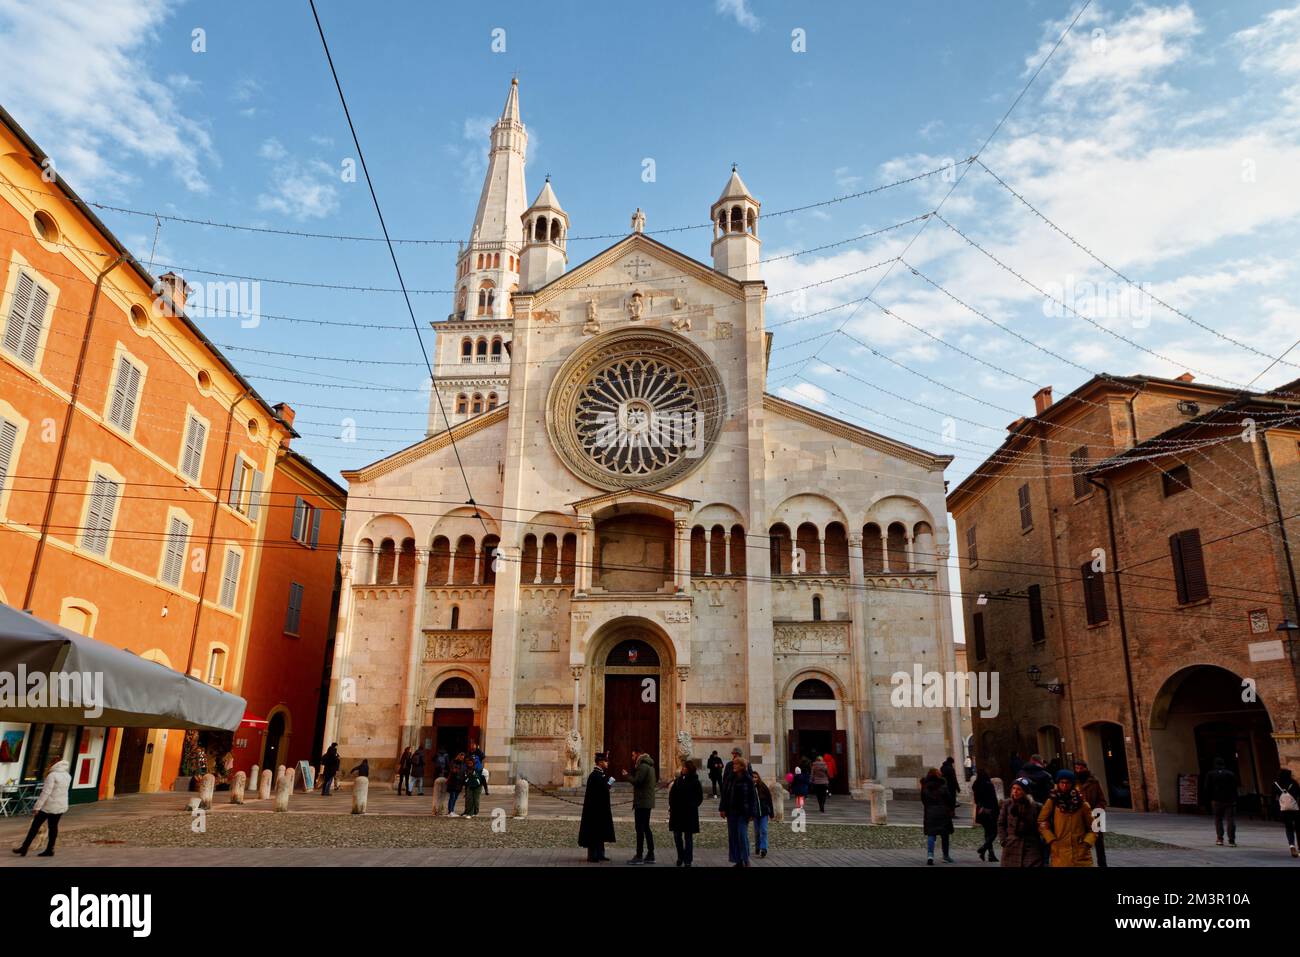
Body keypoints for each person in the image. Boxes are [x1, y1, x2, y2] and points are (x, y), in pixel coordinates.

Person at [11, 759, 70, 858]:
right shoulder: (67, 775)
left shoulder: (52, 775)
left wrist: (37, 806)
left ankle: (24, 848)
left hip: (48, 806)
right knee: (53, 827)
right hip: (61, 805)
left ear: (53, 764)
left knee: (34, 827)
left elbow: (46, 792)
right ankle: (50, 849)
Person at [1038, 769, 1096, 867]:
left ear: (1072, 784)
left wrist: (1087, 842)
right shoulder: (1053, 801)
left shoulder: (1082, 804)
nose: (1064, 786)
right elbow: (1042, 821)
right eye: (1062, 782)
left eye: (1067, 783)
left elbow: (1094, 827)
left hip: (1080, 854)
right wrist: (1051, 840)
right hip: (1060, 851)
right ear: (1058, 783)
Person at [997, 777, 1043, 867]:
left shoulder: (1036, 807)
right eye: (1013, 788)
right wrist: (1003, 840)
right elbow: (1001, 823)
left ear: (1025, 792)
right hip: (1011, 845)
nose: (1015, 791)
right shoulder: (1007, 804)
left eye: (1019, 789)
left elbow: (1041, 825)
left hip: (1031, 846)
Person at [721, 756, 757, 867]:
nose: (733, 766)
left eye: (736, 764)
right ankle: (738, 860)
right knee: (733, 836)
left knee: (742, 835)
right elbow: (725, 794)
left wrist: (752, 813)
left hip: (743, 812)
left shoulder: (748, 780)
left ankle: (746, 859)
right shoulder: (730, 779)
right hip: (731, 811)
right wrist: (722, 808)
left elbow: (753, 797)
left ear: (742, 766)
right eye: (733, 764)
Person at [579, 752, 615, 862]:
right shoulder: (595, 775)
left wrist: (607, 785)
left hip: (601, 808)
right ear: (600, 762)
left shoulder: (600, 774)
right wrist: (607, 785)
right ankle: (592, 855)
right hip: (594, 809)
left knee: (600, 831)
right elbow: (597, 792)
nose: (607, 763)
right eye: (605, 761)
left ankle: (600, 853)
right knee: (593, 831)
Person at [668, 759, 703, 867]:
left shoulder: (695, 781)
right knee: (677, 836)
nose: (683, 769)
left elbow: (699, 797)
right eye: (683, 767)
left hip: (689, 813)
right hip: (677, 812)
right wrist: (671, 806)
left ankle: (688, 859)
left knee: (688, 838)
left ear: (690, 769)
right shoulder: (678, 780)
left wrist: (692, 805)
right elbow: (672, 794)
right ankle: (680, 856)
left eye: (685, 768)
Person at [626, 748, 657, 864]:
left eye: (633, 755)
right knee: (646, 828)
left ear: (638, 754)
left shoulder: (643, 766)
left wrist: (627, 776)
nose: (632, 758)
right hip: (646, 801)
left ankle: (639, 855)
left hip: (642, 801)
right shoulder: (650, 765)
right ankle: (650, 854)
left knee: (640, 829)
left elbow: (637, 781)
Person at [1073, 760, 1107, 867]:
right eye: (1077, 768)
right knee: (1081, 842)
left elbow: (1102, 800)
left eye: (1081, 768)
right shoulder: (1073, 782)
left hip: (1095, 816)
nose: (1079, 770)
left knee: (1099, 842)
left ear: (1085, 768)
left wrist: (1096, 811)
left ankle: (1102, 864)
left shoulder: (1094, 782)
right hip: (1080, 817)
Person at [921, 767, 955, 864]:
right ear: (937, 775)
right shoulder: (943, 785)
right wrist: (951, 809)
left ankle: (930, 855)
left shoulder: (925, 786)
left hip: (930, 812)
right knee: (945, 835)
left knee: (931, 834)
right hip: (943, 812)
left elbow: (923, 799)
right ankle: (945, 855)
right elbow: (949, 799)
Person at [1206, 756, 1238, 847]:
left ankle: (1220, 838)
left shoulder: (1211, 774)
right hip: (1230, 800)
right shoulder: (1230, 774)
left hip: (1216, 799)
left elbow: (1207, 788)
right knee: (1230, 819)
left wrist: (1209, 798)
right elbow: (1235, 787)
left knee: (1218, 819)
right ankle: (1231, 840)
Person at [971, 768, 999, 862]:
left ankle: (990, 854)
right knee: (994, 831)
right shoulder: (988, 785)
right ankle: (984, 848)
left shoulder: (976, 785)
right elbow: (993, 799)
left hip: (980, 811)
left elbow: (975, 800)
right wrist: (997, 811)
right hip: (990, 811)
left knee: (987, 832)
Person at [1273, 767, 1300, 858]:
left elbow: (1274, 799)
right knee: (1298, 828)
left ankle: (1292, 846)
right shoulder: (1294, 783)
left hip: (1284, 810)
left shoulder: (1276, 784)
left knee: (1289, 828)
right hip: (1295, 809)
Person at [753, 769, 774, 858]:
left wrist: (771, 812)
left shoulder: (763, 786)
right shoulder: (749, 788)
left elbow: (769, 799)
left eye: (756, 777)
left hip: (764, 812)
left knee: (764, 831)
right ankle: (757, 846)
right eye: (753, 777)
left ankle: (764, 849)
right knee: (757, 832)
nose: (754, 779)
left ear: (758, 778)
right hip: (755, 813)